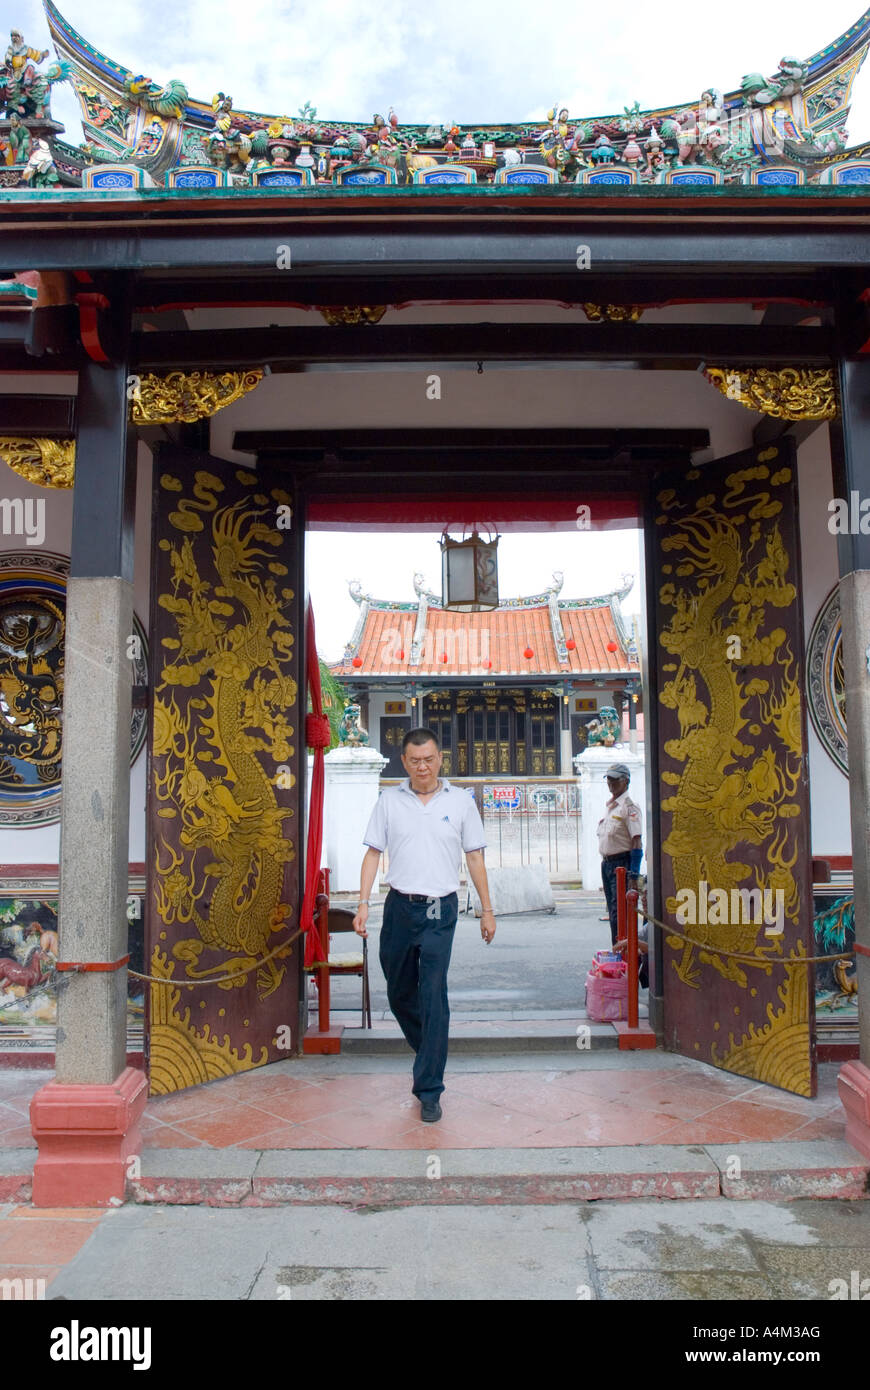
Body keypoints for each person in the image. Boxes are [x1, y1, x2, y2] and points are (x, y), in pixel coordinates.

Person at [353, 728, 496, 1123]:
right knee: (399, 993)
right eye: (415, 761)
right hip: (399, 906)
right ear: (404, 762)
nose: (423, 767)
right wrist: (363, 904)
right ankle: (431, 1050)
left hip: (440, 909)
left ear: (440, 758)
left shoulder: (462, 802)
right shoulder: (388, 801)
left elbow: (475, 858)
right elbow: (371, 855)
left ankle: (430, 1088)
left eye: (429, 759)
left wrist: (487, 909)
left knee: (432, 994)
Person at [597, 761, 643, 946]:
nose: (611, 783)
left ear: (626, 781)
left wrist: (633, 874)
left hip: (621, 865)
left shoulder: (629, 807)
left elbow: (636, 841)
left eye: (615, 780)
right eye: (608, 779)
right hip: (607, 864)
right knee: (613, 912)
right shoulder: (611, 807)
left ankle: (625, 956)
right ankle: (617, 951)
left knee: (621, 914)